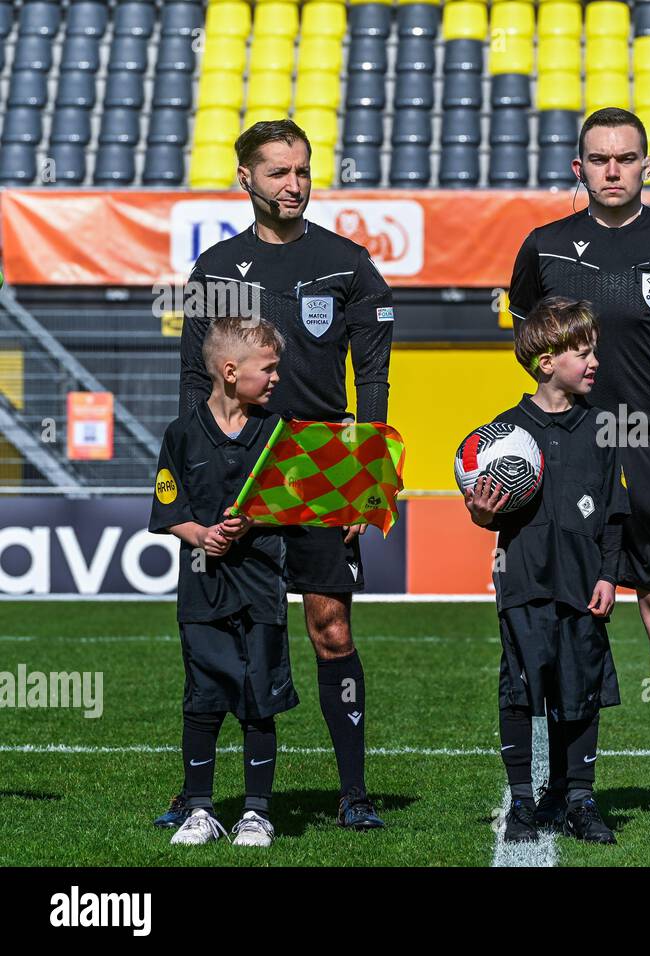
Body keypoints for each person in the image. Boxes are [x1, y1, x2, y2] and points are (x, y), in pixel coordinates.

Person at [157, 119, 394, 830]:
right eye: (277, 173)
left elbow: (374, 378)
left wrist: (364, 477)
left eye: (302, 171)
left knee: (330, 629)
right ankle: (201, 794)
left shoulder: (349, 265)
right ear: (246, 180)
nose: (293, 185)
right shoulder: (216, 270)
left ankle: (353, 791)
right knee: (224, 634)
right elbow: (190, 387)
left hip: (317, 466)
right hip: (232, 473)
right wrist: (198, 484)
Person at [508, 107, 650, 828]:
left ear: (647, 165)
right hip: (567, 456)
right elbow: (529, 342)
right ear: (579, 168)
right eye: (599, 159)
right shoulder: (543, 248)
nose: (613, 170)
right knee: (567, 615)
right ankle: (568, 789)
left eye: (626, 158)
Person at [466, 297, 628, 845]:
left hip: (583, 585)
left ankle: (577, 797)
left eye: (593, 352)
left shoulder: (602, 428)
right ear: (546, 362)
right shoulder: (501, 434)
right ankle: (521, 802)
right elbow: (485, 513)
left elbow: (614, 513)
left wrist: (609, 574)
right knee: (520, 689)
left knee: (579, 688)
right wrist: (482, 514)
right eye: (583, 353)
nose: (593, 362)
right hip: (524, 582)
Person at [150, 316, 297, 848]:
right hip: (202, 592)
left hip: (261, 590)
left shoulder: (279, 432)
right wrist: (201, 535)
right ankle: (201, 809)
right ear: (231, 372)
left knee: (259, 699)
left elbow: (293, 505)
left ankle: (256, 813)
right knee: (204, 700)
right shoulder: (182, 433)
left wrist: (255, 520)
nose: (277, 377)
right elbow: (169, 508)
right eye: (270, 368)